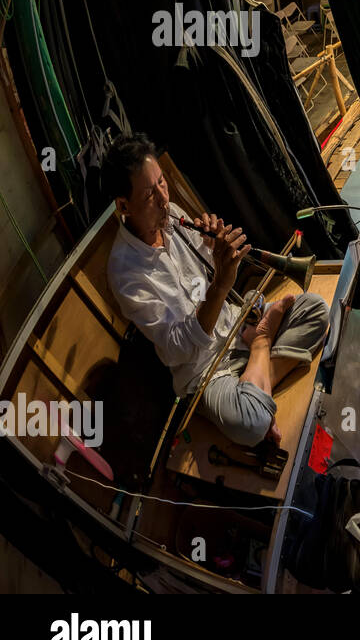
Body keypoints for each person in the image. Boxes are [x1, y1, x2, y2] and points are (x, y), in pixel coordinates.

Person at [104, 134, 328, 447]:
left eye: (162, 184)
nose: (163, 200)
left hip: (237, 323)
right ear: (123, 205)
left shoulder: (171, 216)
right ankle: (261, 349)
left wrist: (212, 248)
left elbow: (210, 275)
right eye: (148, 195)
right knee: (250, 423)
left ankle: (256, 375)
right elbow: (178, 349)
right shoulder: (125, 272)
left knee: (316, 309)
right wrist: (222, 286)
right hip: (206, 369)